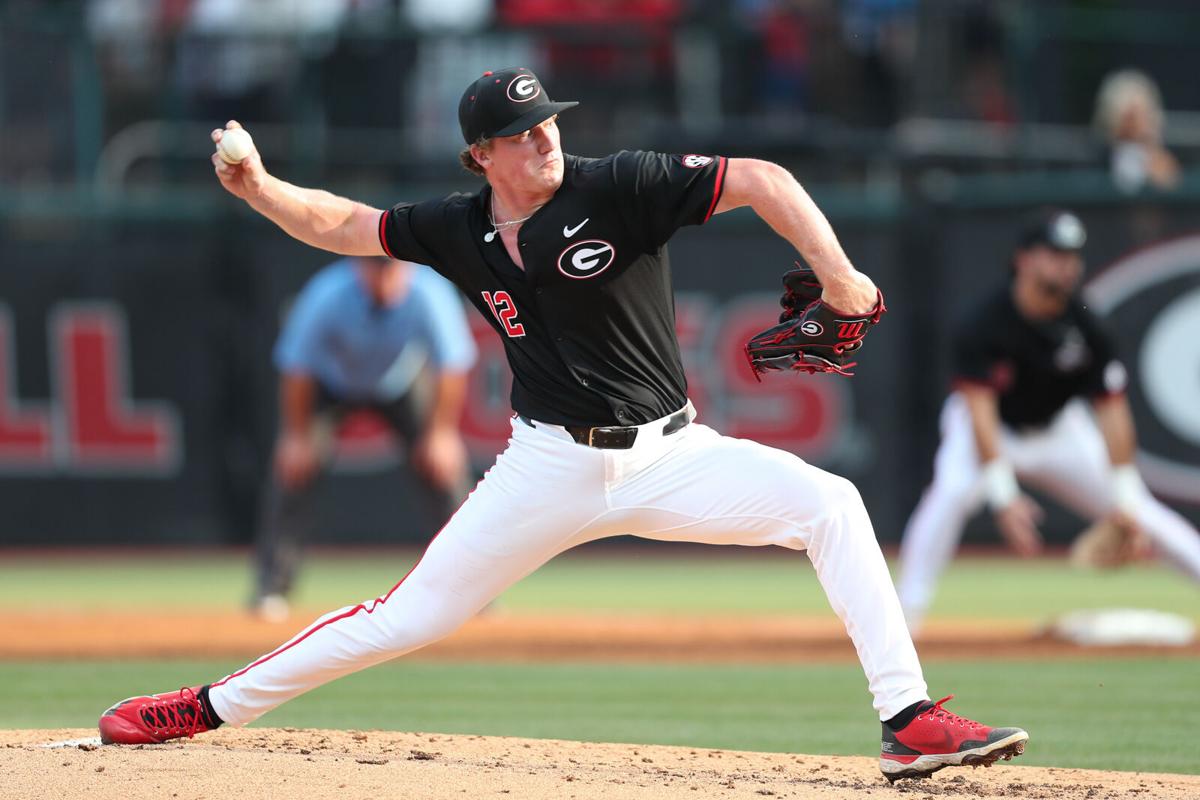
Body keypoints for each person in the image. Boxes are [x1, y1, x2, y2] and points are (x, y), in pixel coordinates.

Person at [97, 67, 1027, 782]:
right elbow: (345, 224)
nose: (540, 137)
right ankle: (207, 706)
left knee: (832, 505)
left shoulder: (619, 186)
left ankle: (906, 722)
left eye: (545, 120)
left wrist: (842, 279)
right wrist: (259, 184)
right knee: (407, 619)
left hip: (672, 454)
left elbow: (767, 179)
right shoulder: (459, 228)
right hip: (545, 467)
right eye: (515, 131)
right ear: (479, 157)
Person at [896, 209, 1200, 635]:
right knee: (950, 495)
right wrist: (1004, 495)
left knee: (1147, 516)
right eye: (1053, 253)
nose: (1065, 264)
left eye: (1071, 255)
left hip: (1059, 431)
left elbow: (1113, 414)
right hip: (985, 428)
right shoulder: (983, 324)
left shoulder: (1090, 328)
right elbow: (980, 412)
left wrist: (1126, 501)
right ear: (1023, 259)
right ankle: (903, 619)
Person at [251, 255, 477, 622]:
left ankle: (473, 588)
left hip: (399, 383)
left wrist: (441, 433)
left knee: (445, 472)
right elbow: (297, 367)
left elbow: (451, 364)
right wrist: (295, 436)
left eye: (392, 267)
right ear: (358, 266)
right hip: (330, 383)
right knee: (294, 471)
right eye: (375, 267)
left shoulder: (429, 292)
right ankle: (271, 589)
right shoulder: (328, 293)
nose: (385, 276)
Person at [1093, 69, 1180, 194]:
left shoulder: (1163, 154)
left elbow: (1170, 184)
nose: (1139, 125)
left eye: (1144, 114)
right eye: (1131, 118)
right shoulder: (1097, 159)